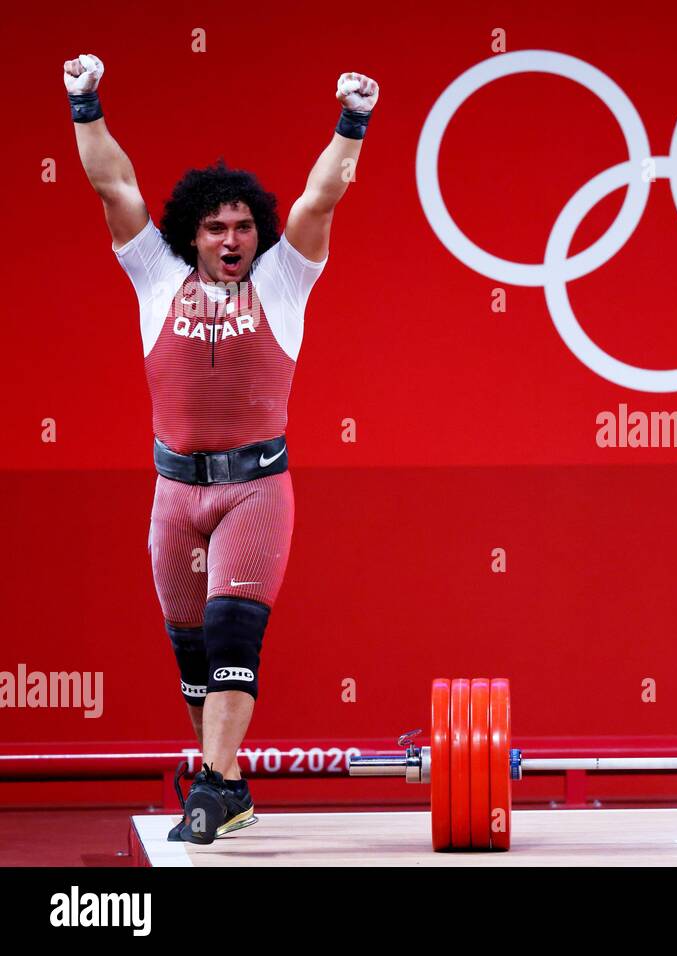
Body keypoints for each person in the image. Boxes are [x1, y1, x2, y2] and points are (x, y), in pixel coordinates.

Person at [64, 52, 379, 844]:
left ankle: (210, 783)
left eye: (242, 226)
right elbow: (114, 185)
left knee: (236, 636)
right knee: (194, 654)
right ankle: (230, 785)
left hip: (255, 492)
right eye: (216, 226)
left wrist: (353, 121)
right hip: (174, 496)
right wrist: (85, 101)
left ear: (256, 233)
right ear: (192, 233)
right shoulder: (153, 277)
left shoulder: (285, 281)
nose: (231, 238)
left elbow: (323, 195)